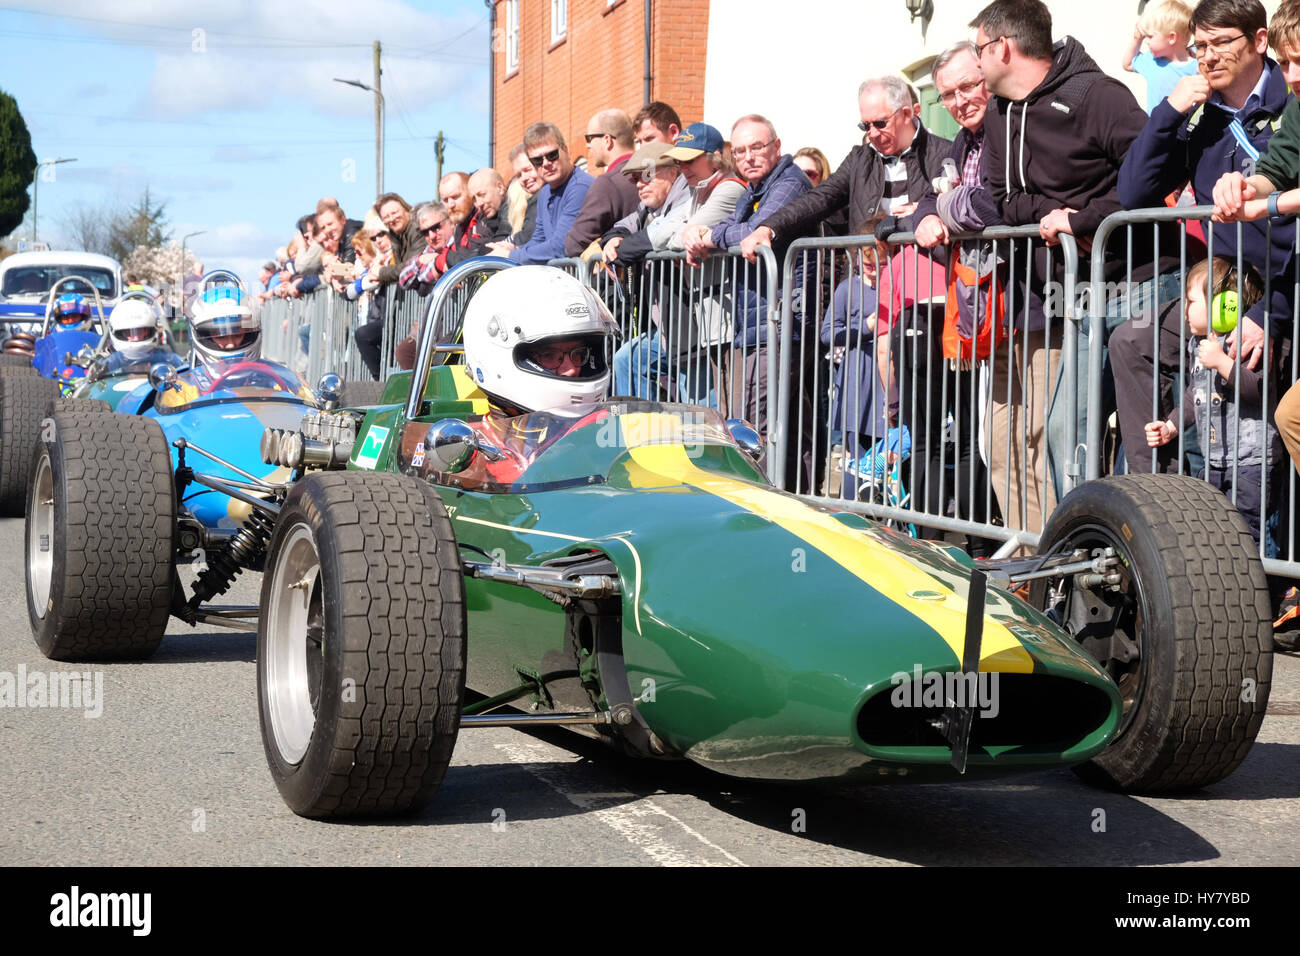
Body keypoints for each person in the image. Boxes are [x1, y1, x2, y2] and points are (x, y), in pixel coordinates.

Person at [971, 0, 1149, 540]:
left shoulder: (1098, 96)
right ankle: (1061, 558)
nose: (976, 65)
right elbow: (1001, 200)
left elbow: (1148, 176)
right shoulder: (1001, 112)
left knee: (1110, 436)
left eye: (979, 50)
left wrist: (1082, 218)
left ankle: (1121, 553)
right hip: (1057, 294)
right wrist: (1049, 213)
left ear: (1004, 46)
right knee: (1051, 437)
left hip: (1127, 285)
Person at [1116, 0, 1291, 479]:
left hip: (1280, 288)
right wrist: (1169, 112)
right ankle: (1159, 497)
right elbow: (1132, 192)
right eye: (1200, 46)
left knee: (1258, 407)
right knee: (1131, 342)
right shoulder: (1198, 115)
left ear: (1258, 42)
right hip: (1219, 289)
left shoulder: (1290, 102)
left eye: (1221, 43)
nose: (1208, 57)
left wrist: (1267, 314)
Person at [680, 114, 814, 487]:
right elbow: (738, 230)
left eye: (757, 147)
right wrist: (713, 235)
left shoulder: (788, 183)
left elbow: (759, 231)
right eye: (740, 151)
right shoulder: (755, 189)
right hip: (756, 320)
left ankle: (773, 500)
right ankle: (791, 498)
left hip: (782, 317)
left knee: (761, 421)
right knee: (773, 418)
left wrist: (709, 235)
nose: (749, 157)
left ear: (776, 146)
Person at [1143, 257, 1281, 555]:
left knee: (1251, 535)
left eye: (1191, 301)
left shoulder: (1247, 342)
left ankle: (1266, 595)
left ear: (1225, 305)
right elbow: (1198, 392)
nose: (1184, 311)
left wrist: (1223, 363)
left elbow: (1258, 391)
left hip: (1251, 462)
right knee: (1219, 532)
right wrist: (1172, 425)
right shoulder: (1199, 344)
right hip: (1216, 460)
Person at [486, 123, 594, 265]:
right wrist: (517, 248)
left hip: (587, 282)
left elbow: (560, 246)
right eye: (537, 160)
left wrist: (510, 255)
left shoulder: (580, 187)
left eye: (552, 155)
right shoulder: (545, 192)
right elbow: (539, 239)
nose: (546, 163)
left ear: (566, 151)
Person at [564, 109, 639, 257]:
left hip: (618, 277)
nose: (588, 145)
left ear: (607, 140)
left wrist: (599, 244)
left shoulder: (607, 183)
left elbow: (574, 244)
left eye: (589, 138)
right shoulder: (654, 173)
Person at [1123, 0, 1199, 111]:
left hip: (1186, 126)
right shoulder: (1152, 61)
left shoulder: (1197, 65)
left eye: (1150, 36)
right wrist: (1136, 39)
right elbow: (1128, 64)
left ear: (1172, 38)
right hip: (1156, 126)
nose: (1146, 41)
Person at [86, 299, 184, 381]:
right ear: (117, 332)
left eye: (142, 331)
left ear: (152, 330)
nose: (136, 338)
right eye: (128, 333)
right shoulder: (106, 364)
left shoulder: (167, 359)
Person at [188, 286, 261, 371]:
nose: (231, 345)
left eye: (238, 335)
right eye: (221, 337)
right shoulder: (186, 382)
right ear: (205, 336)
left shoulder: (270, 379)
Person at [506, 143, 543, 246]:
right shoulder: (534, 199)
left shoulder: (542, 198)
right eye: (519, 175)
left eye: (528, 170)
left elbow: (528, 237)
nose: (524, 178)